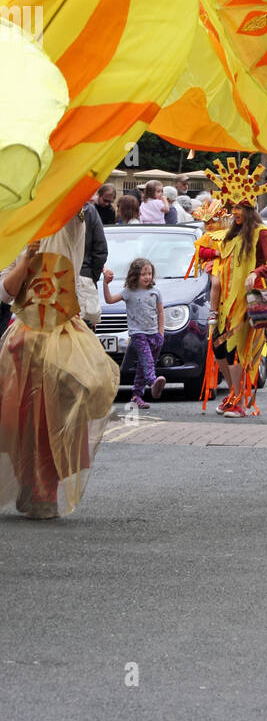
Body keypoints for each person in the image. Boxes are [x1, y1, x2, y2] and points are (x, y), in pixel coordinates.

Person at [0, 211, 120, 518]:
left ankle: (44, 490)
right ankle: (30, 487)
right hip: (24, 340)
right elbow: (6, 292)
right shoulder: (18, 229)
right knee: (20, 422)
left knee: (56, 417)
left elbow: (77, 203)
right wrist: (28, 255)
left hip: (63, 334)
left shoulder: (73, 217)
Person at [201, 160, 267, 418]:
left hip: (246, 304)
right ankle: (234, 394)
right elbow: (219, 260)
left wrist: (256, 273)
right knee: (219, 348)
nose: (236, 212)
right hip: (225, 304)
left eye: (241, 207)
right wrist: (208, 260)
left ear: (250, 208)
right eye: (233, 206)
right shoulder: (229, 236)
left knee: (235, 349)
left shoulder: (262, 233)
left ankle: (239, 401)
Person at [102, 259, 166, 410]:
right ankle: (153, 381)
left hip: (154, 335)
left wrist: (161, 333)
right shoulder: (128, 292)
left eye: (149, 274)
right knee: (147, 361)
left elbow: (161, 312)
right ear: (135, 275)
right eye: (143, 274)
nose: (147, 277)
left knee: (141, 367)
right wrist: (105, 284)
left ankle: (136, 396)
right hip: (138, 334)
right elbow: (109, 300)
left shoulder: (155, 292)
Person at [79, 198, 108, 327]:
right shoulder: (88, 210)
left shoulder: (49, 206)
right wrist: (91, 276)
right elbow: (100, 250)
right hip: (83, 280)